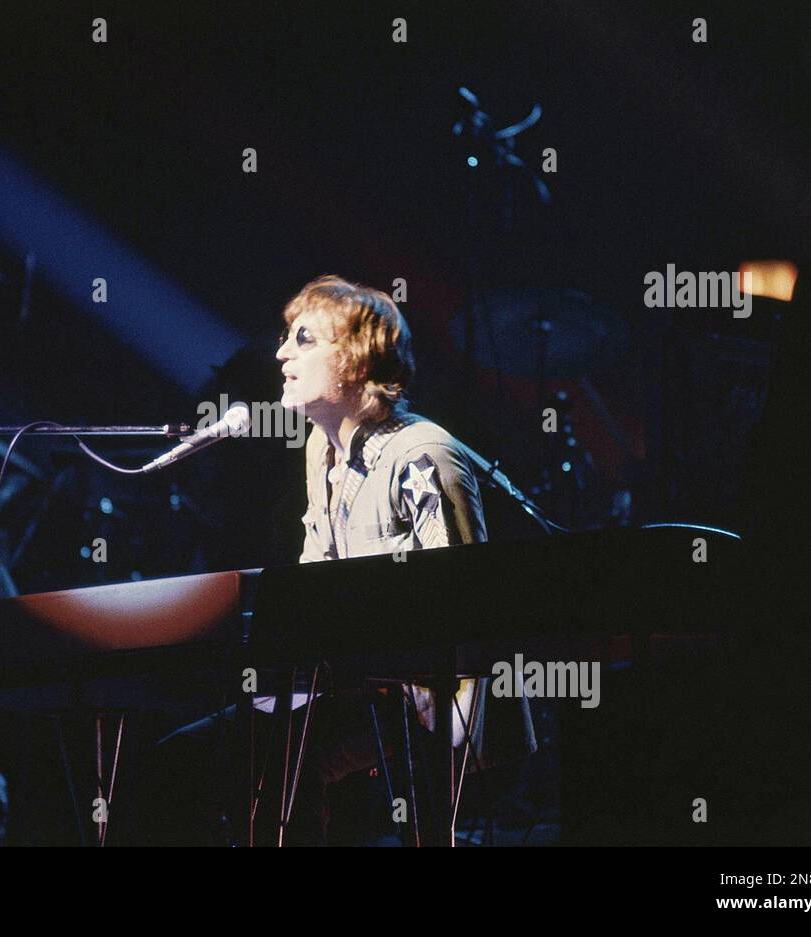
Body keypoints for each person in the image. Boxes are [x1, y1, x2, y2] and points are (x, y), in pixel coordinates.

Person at [141, 275, 534, 845]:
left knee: (274, 763)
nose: (281, 353)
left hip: (434, 705)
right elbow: (316, 591)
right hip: (363, 691)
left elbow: (465, 605)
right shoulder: (321, 449)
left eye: (303, 339)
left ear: (354, 357)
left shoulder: (422, 452)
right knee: (187, 760)